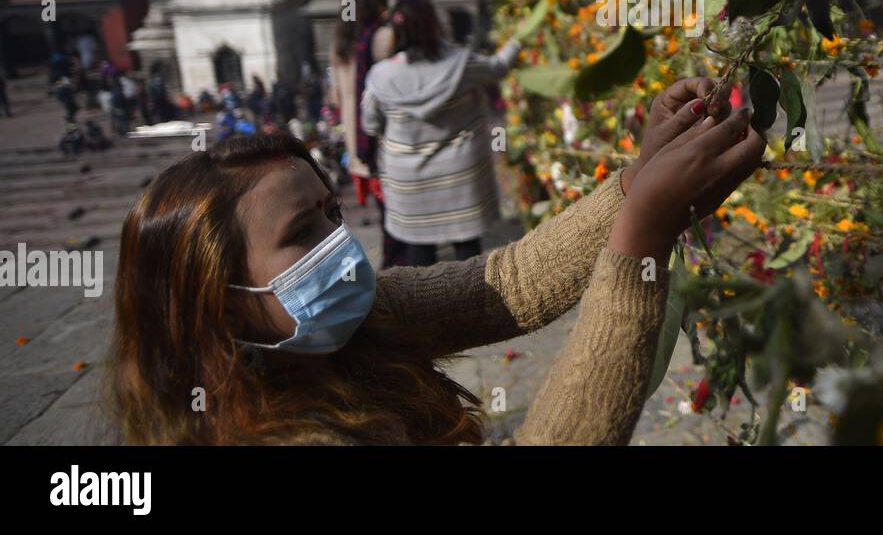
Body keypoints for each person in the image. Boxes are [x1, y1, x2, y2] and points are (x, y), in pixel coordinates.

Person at [105, 77, 758, 444]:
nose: (340, 243)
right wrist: (641, 236)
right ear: (218, 298)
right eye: (303, 231)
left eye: (334, 212)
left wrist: (636, 179)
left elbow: (501, 283)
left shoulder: (354, 323)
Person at [361, 0, 513, 268]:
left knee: (419, 253)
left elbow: (370, 123)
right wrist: (518, 39)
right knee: (468, 249)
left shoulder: (381, 76)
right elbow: (498, 68)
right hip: (461, 176)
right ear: (435, 25)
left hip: (408, 182)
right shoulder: (462, 64)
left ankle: (428, 309)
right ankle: (473, 306)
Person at [326, 0, 393, 240]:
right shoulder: (383, 38)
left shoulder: (340, 45)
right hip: (382, 133)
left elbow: (335, 97)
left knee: (383, 206)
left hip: (358, 139)